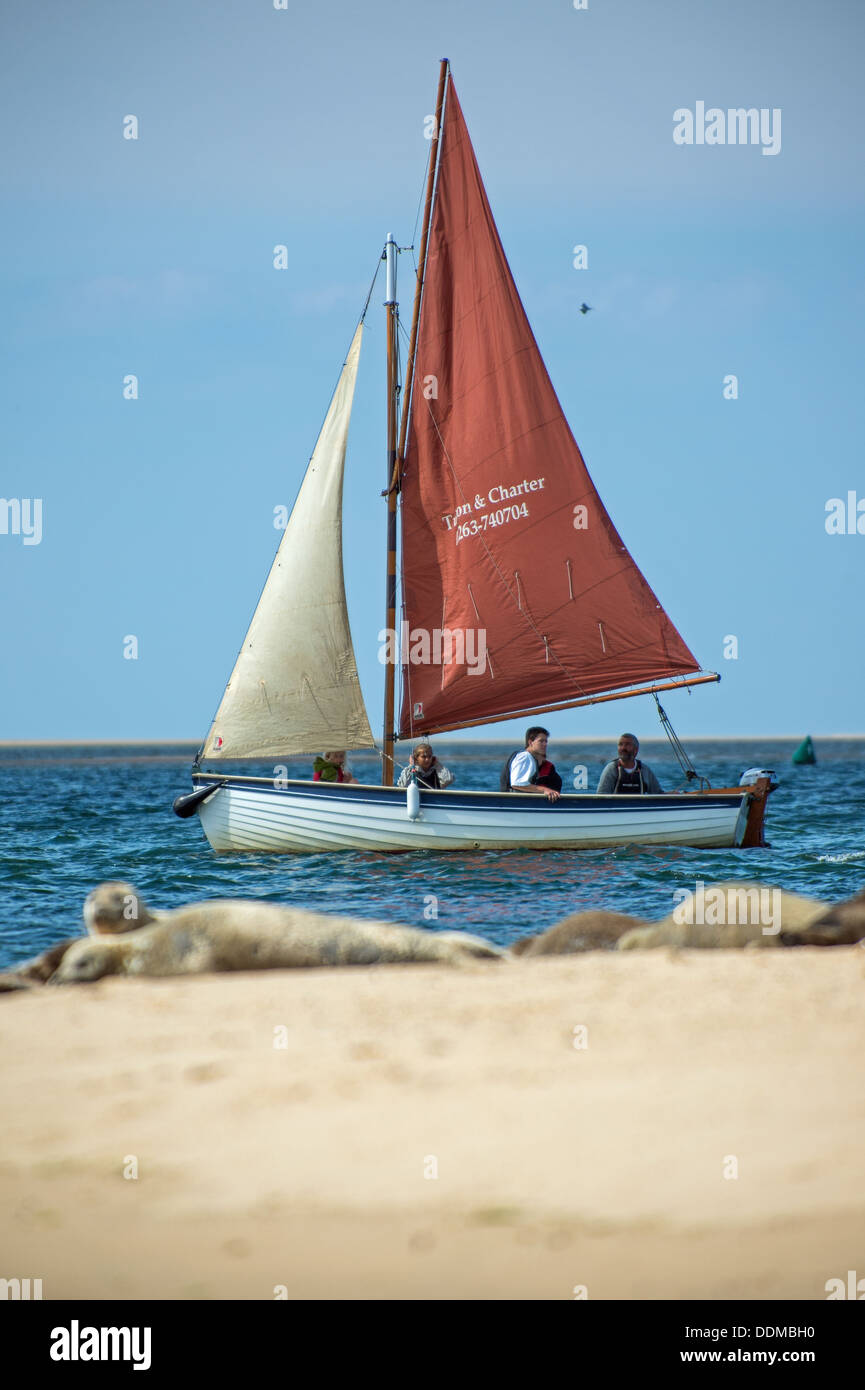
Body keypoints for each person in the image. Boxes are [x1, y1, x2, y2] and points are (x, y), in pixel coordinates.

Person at [500, 727, 561, 801]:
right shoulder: (525, 756)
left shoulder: (529, 758)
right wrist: (545, 790)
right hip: (512, 802)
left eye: (546, 741)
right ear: (530, 742)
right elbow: (517, 783)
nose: (545, 744)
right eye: (541, 741)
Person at [596, 733, 662, 794]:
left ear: (636, 750)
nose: (623, 748)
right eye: (620, 744)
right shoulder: (611, 769)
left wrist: (672, 793)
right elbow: (601, 797)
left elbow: (659, 795)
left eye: (627, 744)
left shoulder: (644, 770)